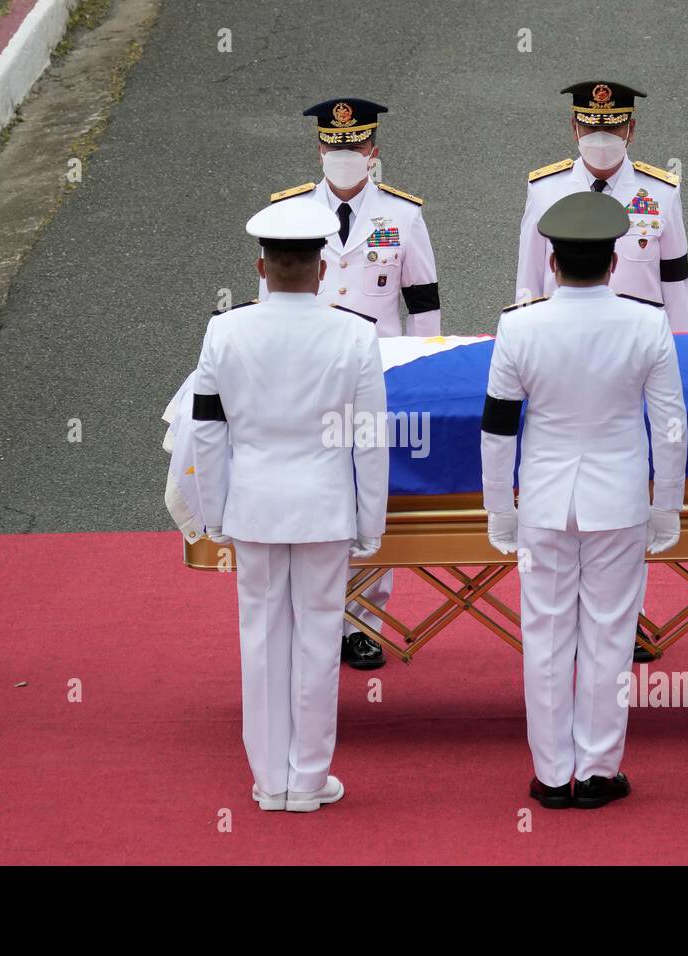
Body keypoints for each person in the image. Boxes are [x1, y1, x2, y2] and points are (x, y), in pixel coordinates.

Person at [482, 191, 688, 810]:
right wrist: (667, 503)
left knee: (544, 636)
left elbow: (498, 428)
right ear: (615, 260)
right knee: (608, 634)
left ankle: (551, 775)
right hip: (618, 500)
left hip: (544, 501)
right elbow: (670, 424)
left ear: (551, 262)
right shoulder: (646, 322)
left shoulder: (519, 325)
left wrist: (500, 506)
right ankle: (598, 771)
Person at [191, 199, 389, 812]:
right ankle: (307, 779)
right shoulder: (356, 333)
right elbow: (371, 438)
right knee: (319, 638)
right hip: (326, 506)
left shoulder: (225, 330)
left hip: (253, 505)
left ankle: (269, 778)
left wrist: (215, 512)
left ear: (261, 266)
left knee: (262, 637)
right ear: (323, 269)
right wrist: (370, 522)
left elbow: (206, 431)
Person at [267, 97, 439, 670]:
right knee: (310, 494)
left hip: (381, 375)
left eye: (355, 146)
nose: (344, 155)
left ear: (373, 151)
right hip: (308, 377)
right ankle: (309, 620)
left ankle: (360, 623)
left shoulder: (403, 215)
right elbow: (271, 306)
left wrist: (425, 369)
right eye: (334, 146)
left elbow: (423, 301)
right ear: (320, 148)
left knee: (371, 493)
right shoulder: (289, 215)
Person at [515, 80, 688, 332]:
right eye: (590, 127)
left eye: (612, 129)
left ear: (630, 130)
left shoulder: (662, 193)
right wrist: (524, 342)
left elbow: (676, 282)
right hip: (563, 337)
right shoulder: (544, 191)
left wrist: (683, 348)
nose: (600, 138)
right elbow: (529, 277)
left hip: (638, 340)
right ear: (574, 128)